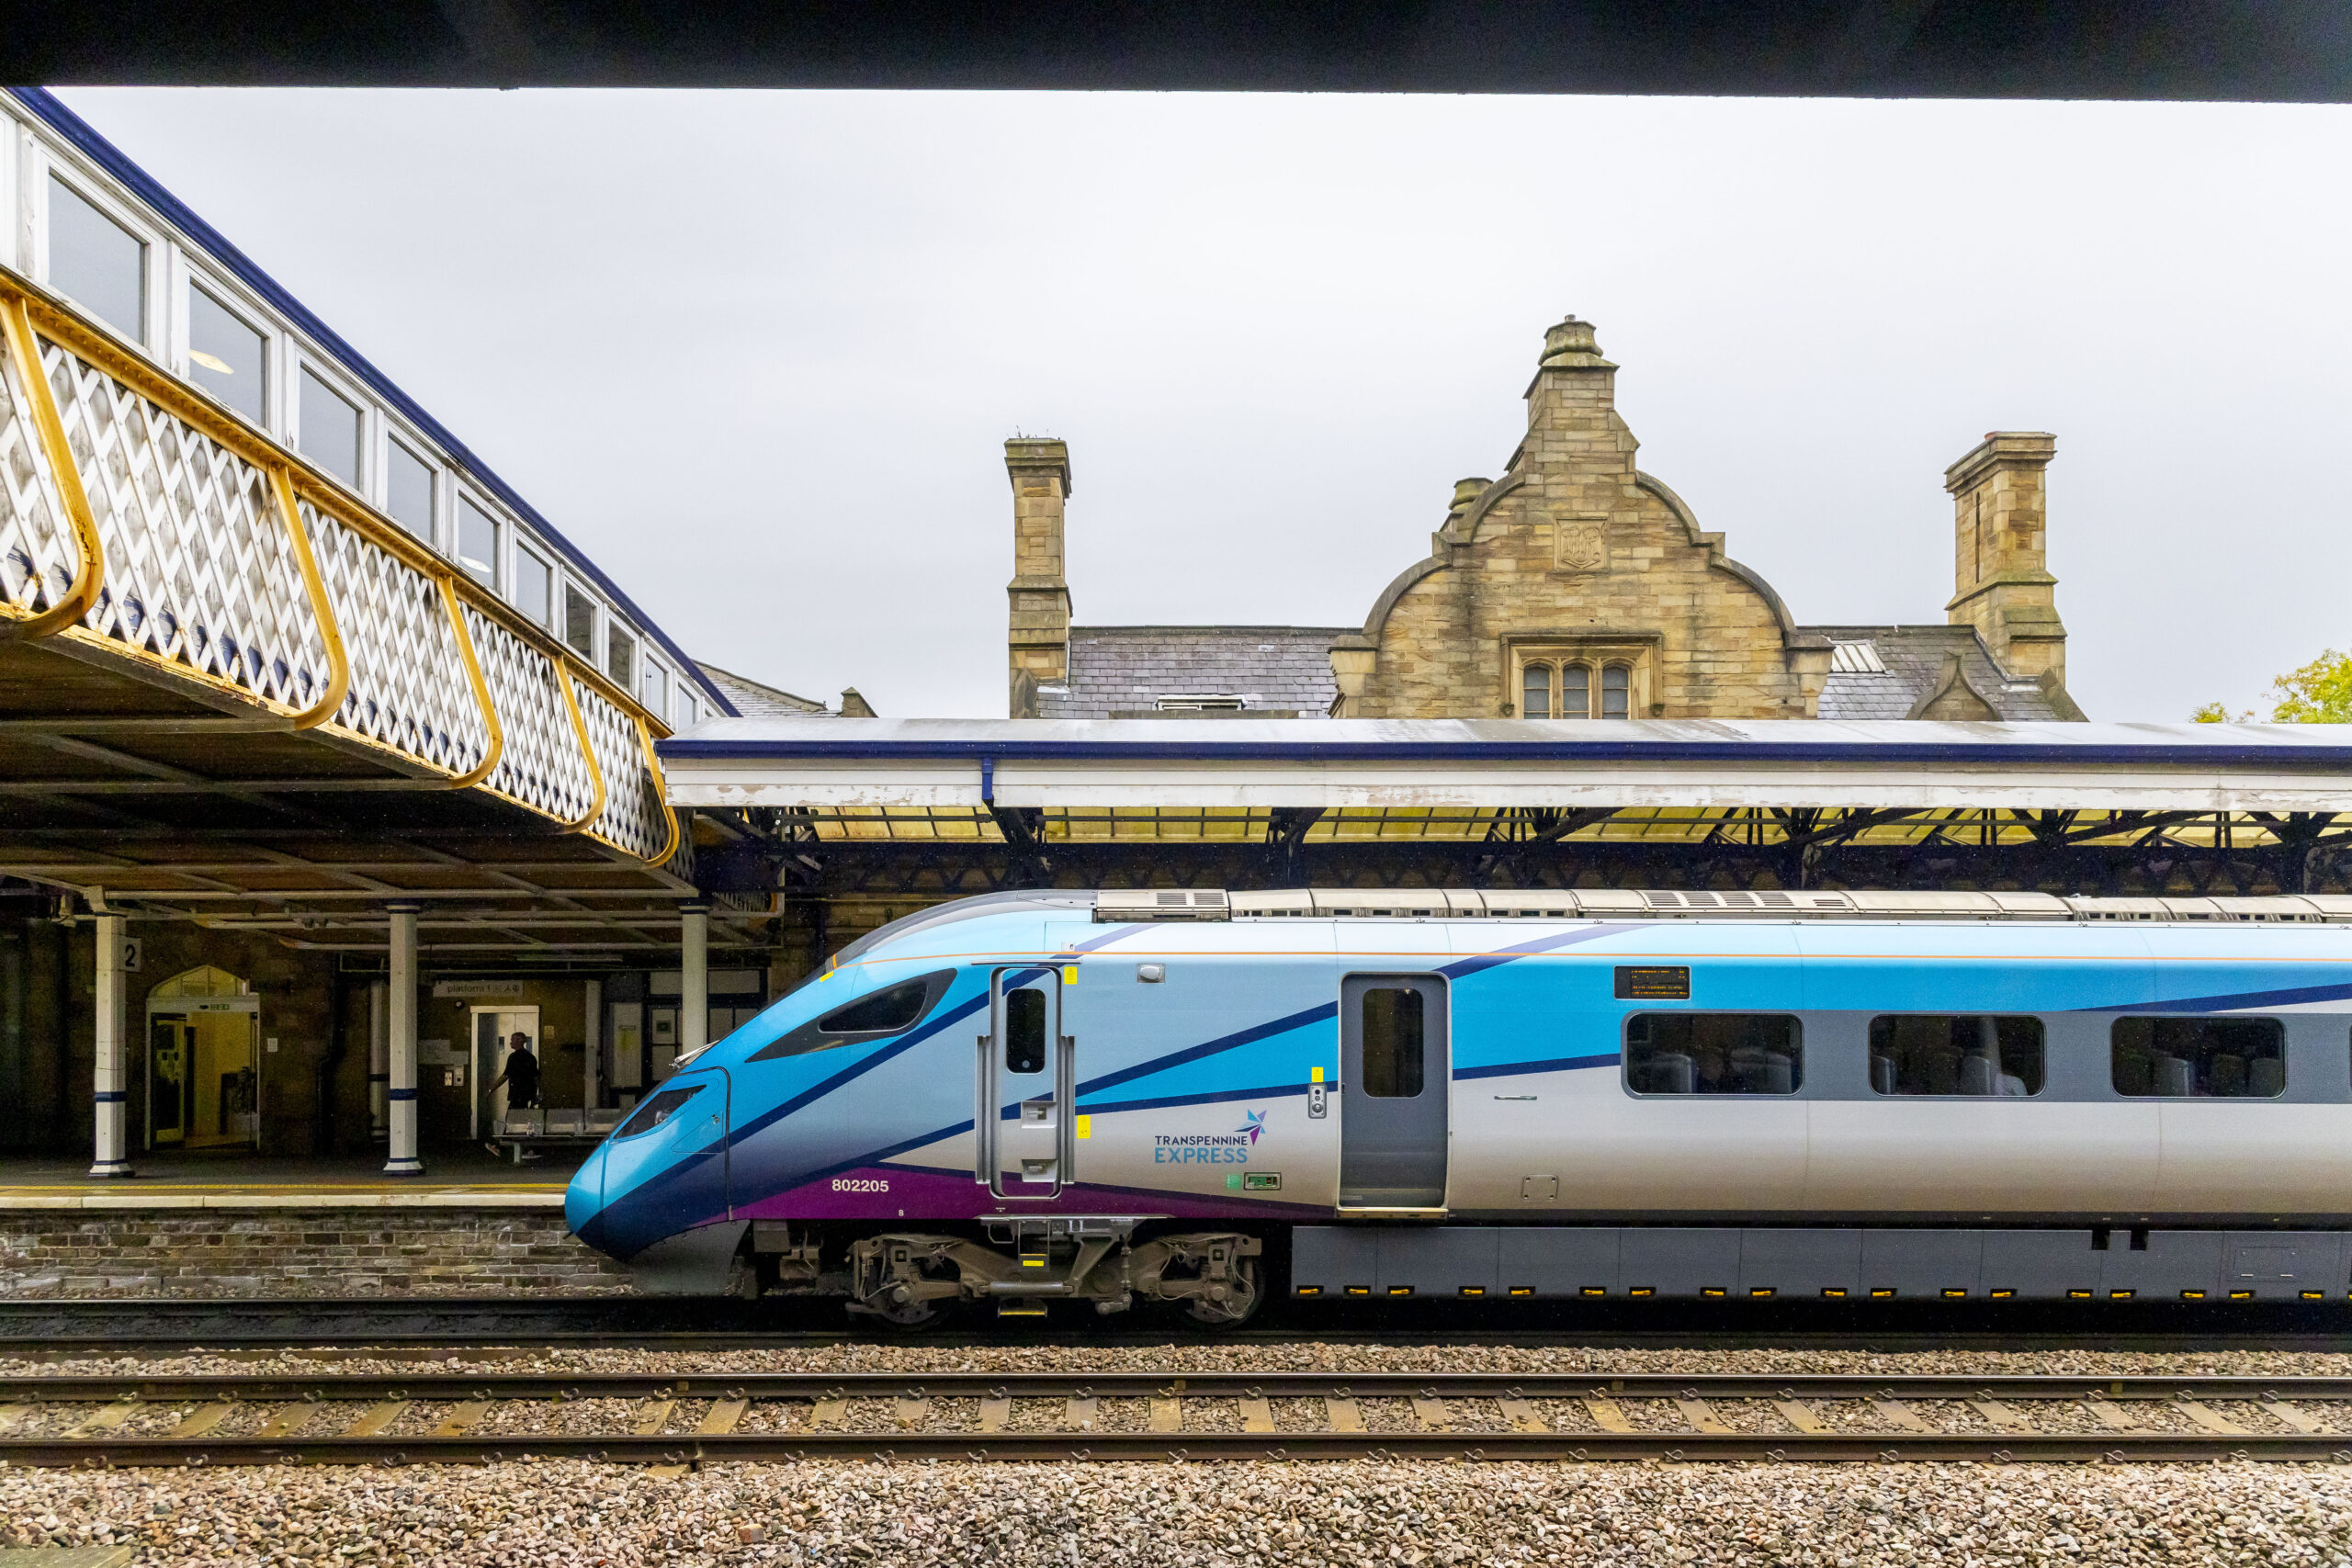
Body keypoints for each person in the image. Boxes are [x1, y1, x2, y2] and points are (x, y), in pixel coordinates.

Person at [485, 1032, 544, 1162]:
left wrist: (491, 1089)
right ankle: (529, 1149)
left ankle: (500, 1146)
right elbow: (536, 1077)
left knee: (511, 1121)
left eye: (512, 1040)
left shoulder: (513, 1057)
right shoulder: (531, 1057)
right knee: (524, 1122)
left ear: (519, 1041)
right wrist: (538, 1094)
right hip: (528, 1094)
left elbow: (505, 1076)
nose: (510, 1042)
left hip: (517, 1094)